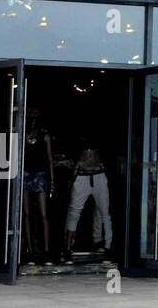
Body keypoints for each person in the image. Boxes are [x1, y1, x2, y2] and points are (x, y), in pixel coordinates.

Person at [63, 134, 112, 263]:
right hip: (84, 174)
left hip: (96, 174)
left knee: (104, 213)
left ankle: (107, 247)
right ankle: (68, 247)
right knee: (75, 212)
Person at [21, 105, 54, 265]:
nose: (33, 116)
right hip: (26, 174)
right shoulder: (22, 133)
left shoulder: (44, 135)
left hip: (40, 174)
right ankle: (30, 250)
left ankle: (46, 251)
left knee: (43, 214)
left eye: (35, 113)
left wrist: (52, 180)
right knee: (27, 214)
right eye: (30, 113)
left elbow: (49, 158)